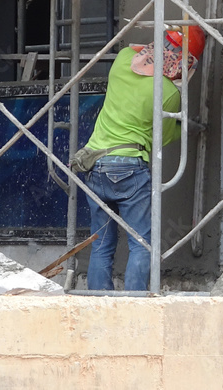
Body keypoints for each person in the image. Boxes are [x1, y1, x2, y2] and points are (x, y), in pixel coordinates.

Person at [82, 26, 205, 291]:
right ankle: (134, 304)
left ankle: (96, 303)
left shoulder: (122, 59)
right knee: (141, 244)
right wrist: (188, 124)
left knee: (101, 244)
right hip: (130, 167)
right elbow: (165, 136)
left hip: (96, 163)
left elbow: (138, 49)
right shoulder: (169, 93)